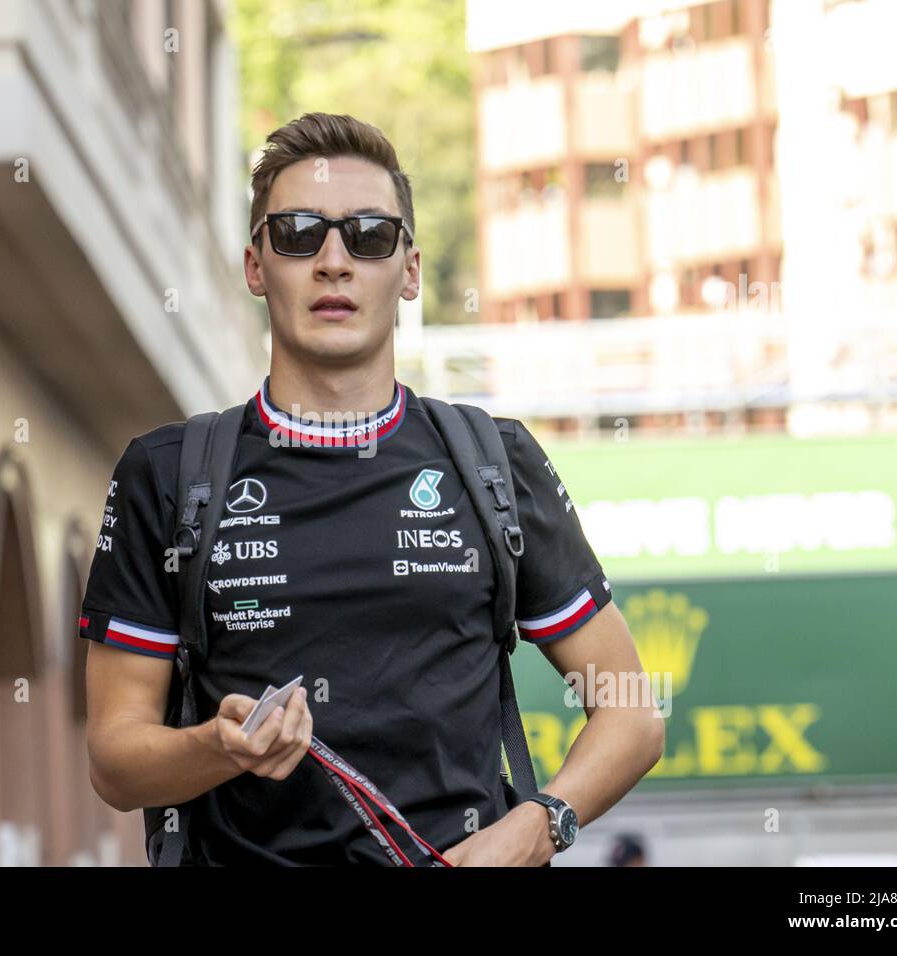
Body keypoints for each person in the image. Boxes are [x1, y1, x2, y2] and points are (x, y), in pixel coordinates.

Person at [80, 112, 664, 866]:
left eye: (369, 235)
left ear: (410, 270)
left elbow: (632, 714)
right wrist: (219, 747)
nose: (333, 261)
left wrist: (535, 826)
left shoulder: (493, 461)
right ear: (256, 265)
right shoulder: (168, 476)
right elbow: (114, 760)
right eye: (297, 233)